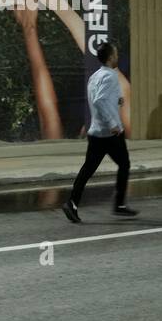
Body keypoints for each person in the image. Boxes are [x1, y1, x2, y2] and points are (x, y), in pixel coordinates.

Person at [61, 41, 135, 222]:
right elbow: (100, 101)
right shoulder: (110, 76)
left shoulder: (95, 76)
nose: (117, 56)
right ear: (110, 57)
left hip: (96, 132)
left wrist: (116, 102)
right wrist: (112, 123)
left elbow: (99, 98)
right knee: (124, 164)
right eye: (115, 54)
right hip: (110, 133)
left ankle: (72, 203)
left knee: (87, 169)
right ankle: (119, 205)